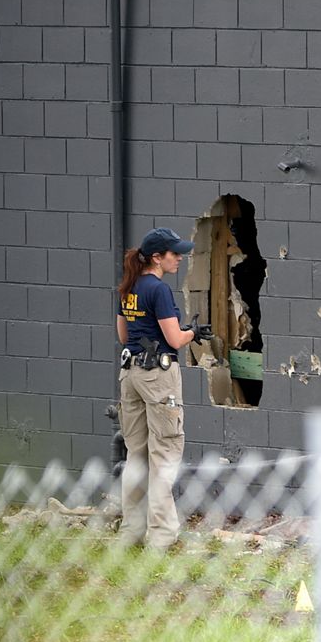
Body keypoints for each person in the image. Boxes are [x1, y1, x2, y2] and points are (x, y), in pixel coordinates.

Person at [115, 227, 212, 549]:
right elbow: (173, 339)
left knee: (136, 455)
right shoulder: (158, 290)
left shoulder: (129, 286)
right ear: (157, 257)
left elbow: (122, 335)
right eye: (174, 254)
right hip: (158, 376)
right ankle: (161, 537)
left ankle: (131, 532)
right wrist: (192, 332)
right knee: (165, 454)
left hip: (130, 373)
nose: (180, 258)